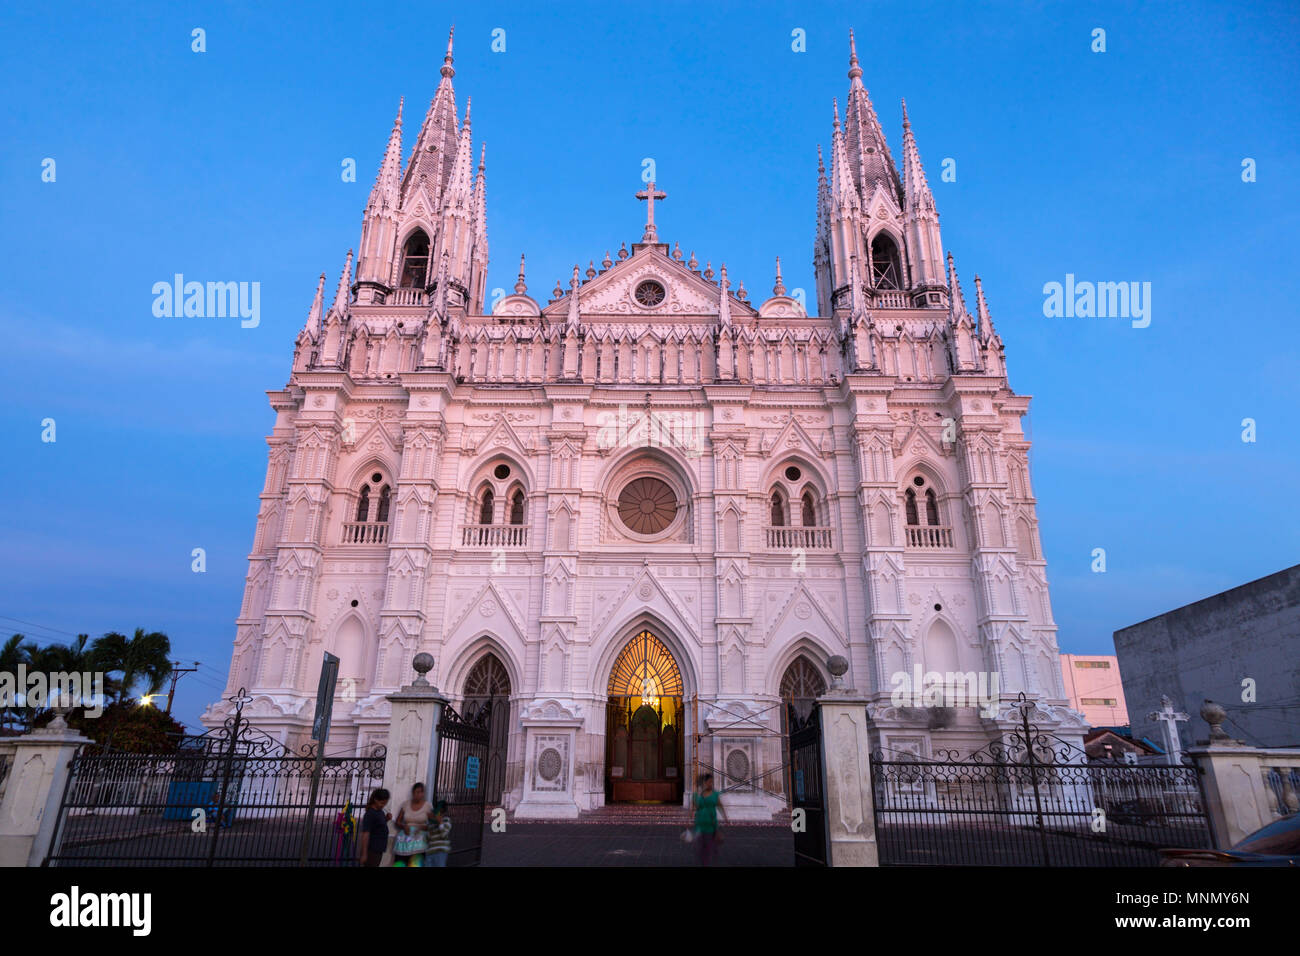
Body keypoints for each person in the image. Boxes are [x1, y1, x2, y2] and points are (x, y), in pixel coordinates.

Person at [392, 782, 431, 867]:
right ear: (413, 793)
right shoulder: (405, 804)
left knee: (415, 864)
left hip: (419, 842)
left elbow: (432, 825)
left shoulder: (427, 806)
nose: (420, 794)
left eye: (421, 792)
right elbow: (397, 821)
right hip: (404, 840)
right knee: (400, 863)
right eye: (417, 792)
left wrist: (421, 827)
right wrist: (403, 826)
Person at [692, 773, 726, 866]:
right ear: (704, 783)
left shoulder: (715, 794)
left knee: (709, 849)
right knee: (701, 849)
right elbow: (696, 806)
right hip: (700, 825)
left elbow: (720, 805)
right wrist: (695, 791)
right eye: (709, 782)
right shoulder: (698, 795)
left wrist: (725, 816)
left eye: (712, 782)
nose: (711, 784)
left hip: (711, 825)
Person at [359, 788, 391, 867]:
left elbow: (379, 826)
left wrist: (386, 819)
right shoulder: (370, 814)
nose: (383, 805)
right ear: (376, 800)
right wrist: (364, 853)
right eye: (382, 803)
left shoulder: (380, 811)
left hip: (379, 849)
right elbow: (365, 834)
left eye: (385, 803)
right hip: (372, 850)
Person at [425, 799, 452, 867]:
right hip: (430, 851)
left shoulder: (446, 821)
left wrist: (440, 822)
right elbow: (428, 837)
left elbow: (444, 835)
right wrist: (430, 820)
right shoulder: (431, 823)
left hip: (440, 851)